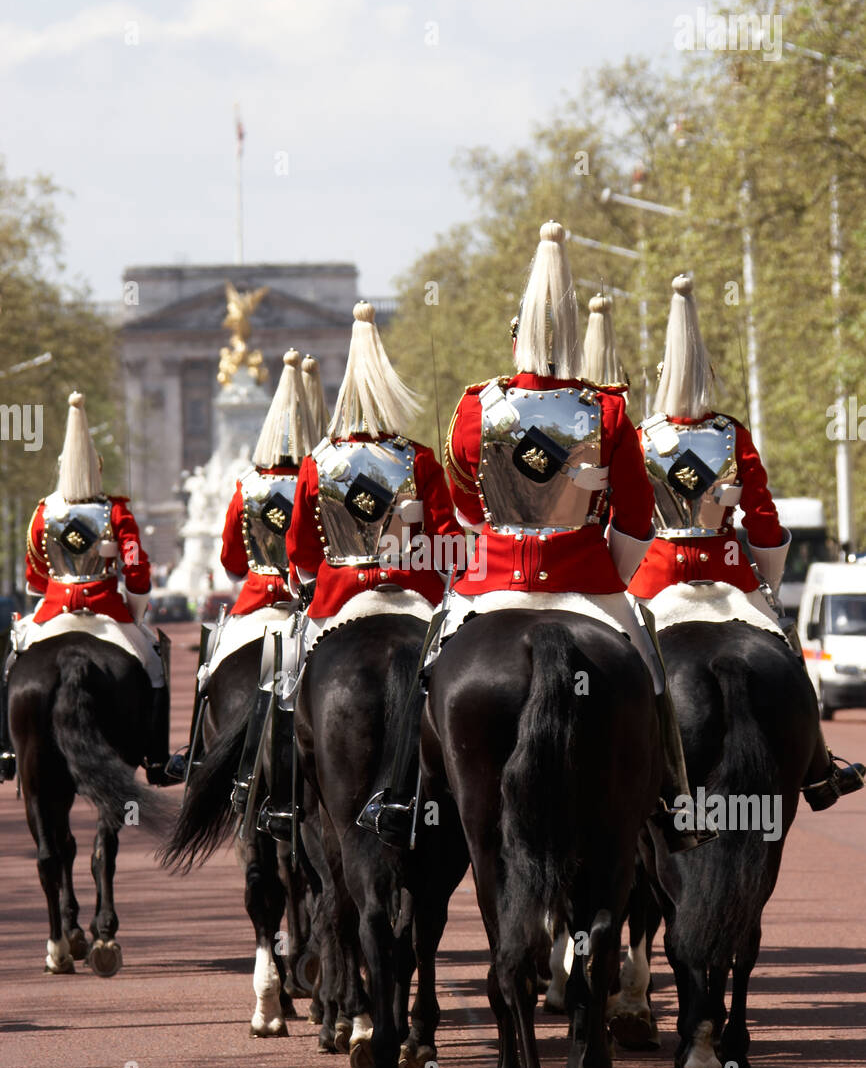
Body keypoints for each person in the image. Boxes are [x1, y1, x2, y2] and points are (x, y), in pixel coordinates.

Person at [368, 221, 710, 852]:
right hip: (588, 582)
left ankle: (404, 797)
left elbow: (469, 503)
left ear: (515, 335)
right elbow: (636, 518)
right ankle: (675, 799)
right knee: (652, 670)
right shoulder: (607, 411)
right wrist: (603, 571)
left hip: (491, 583)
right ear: (575, 339)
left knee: (427, 668)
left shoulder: (475, 406)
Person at [629, 273, 864, 811]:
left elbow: (627, 520)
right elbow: (762, 519)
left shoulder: (640, 437)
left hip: (654, 576)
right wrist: (768, 585)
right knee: (784, 652)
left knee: (612, 665)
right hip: (729, 573)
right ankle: (820, 770)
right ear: (711, 377)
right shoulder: (731, 434)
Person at [0, 391, 172, 785]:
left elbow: (35, 576)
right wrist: (136, 609)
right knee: (154, 667)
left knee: (11, 665)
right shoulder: (116, 512)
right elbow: (137, 570)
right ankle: (158, 761)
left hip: (53, 610)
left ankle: (7, 752)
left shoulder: (44, 512)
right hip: (108, 610)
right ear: (98, 469)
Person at [166, 348, 319, 789]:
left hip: (257, 602)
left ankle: (195, 753)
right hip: (310, 605)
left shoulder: (246, 488)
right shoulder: (322, 479)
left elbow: (232, 562)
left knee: (211, 662)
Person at [286, 300, 462, 640]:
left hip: (338, 597)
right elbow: (448, 545)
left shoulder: (316, 463)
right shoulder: (419, 458)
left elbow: (302, 550)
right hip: (416, 590)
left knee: (293, 670)